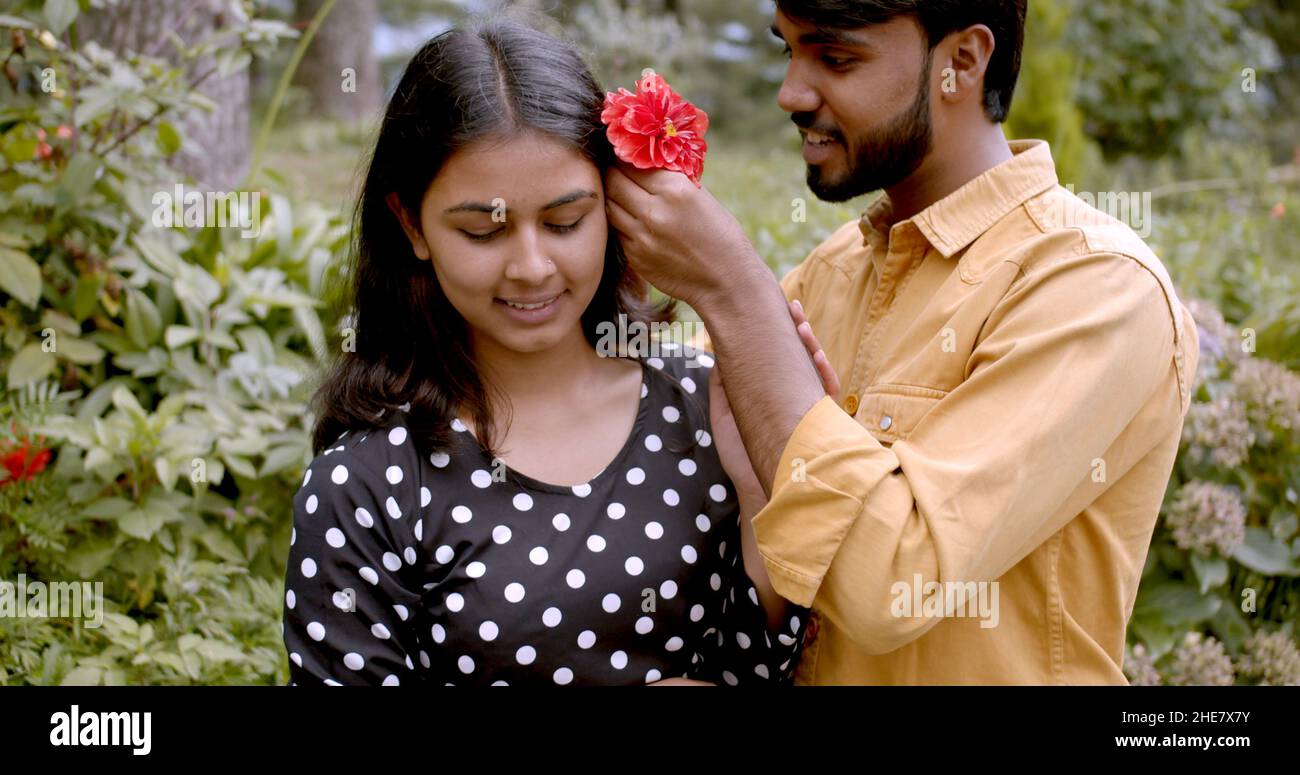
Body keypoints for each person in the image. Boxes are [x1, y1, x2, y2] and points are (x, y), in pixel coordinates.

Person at [605, 0, 1199, 684]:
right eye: (787, 51)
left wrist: (734, 291)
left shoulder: (1095, 286)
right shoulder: (826, 276)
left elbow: (894, 578)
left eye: (836, 58)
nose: (790, 93)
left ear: (963, 62)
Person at [281, 19, 820, 686]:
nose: (532, 266)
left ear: (616, 207)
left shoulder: (708, 407)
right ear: (411, 223)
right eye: (483, 231)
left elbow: (759, 665)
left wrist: (761, 493)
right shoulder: (369, 484)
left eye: (566, 222)